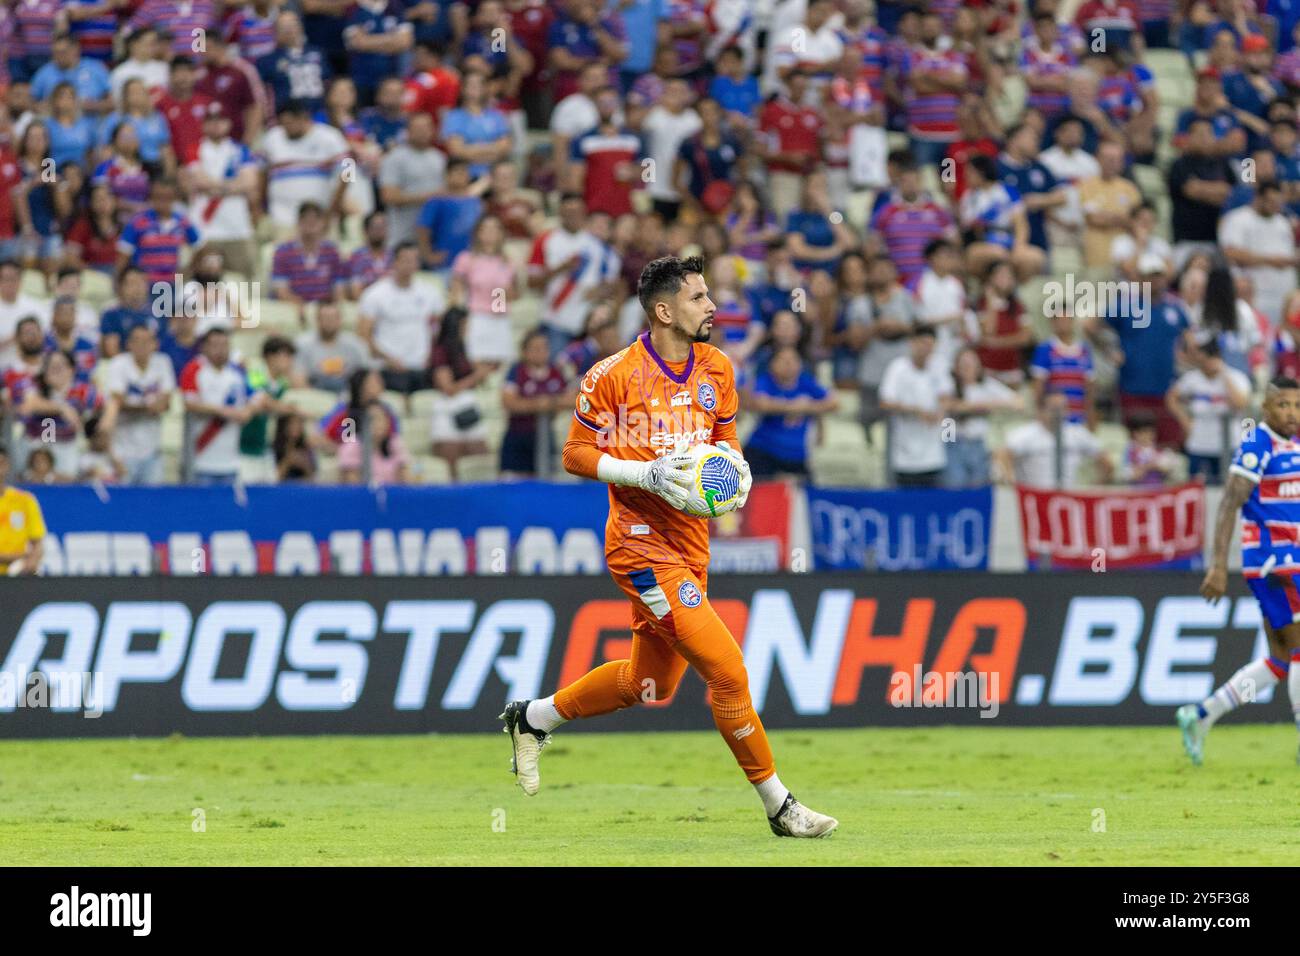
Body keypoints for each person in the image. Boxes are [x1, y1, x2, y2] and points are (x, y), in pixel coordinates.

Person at [501, 255, 838, 839]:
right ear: (664, 310)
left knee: (648, 685)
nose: (713, 307)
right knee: (729, 673)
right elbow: (575, 454)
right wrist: (643, 476)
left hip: (691, 544)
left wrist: (732, 476)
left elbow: (725, 443)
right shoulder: (610, 374)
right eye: (700, 297)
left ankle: (532, 718)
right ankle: (781, 807)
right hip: (639, 546)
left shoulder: (717, 368)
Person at [1183, 377, 1300, 765]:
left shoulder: (1294, 445)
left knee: (1281, 661)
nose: (1292, 414)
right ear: (1265, 409)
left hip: (1293, 561)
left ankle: (1201, 715)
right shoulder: (1256, 444)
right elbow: (1229, 503)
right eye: (1283, 405)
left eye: (1297, 406)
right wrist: (1218, 565)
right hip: (1273, 563)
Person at [358, 240, 445, 394]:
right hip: (389, 368)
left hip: (422, 365)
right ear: (394, 263)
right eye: (405, 260)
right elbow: (364, 334)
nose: (410, 265)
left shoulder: (430, 293)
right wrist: (388, 359)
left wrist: (432, 355)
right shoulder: (376, 294)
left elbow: (440, 330)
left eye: (414, 260)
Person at [180, 328, 263, 485]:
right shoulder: (194, 368)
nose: (220, 350)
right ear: (204, 347)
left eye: (225, 345)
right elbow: (189, 403)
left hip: (231, 461)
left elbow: (260, 395)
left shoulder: (239, 371)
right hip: (200, 458)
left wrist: (248, 411)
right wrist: (224, 411)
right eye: (215, 345)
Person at [745, 345, 839, 477]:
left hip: (796, 454)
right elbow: (761, 404)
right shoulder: (766, 381)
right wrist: (795, 405)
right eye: (783, 360)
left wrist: (808, 406)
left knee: (806, 491)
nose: (789, 365)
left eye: (793, 360)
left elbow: (833, 403)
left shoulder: (806, 383)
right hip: (763, 449)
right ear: (772, 364)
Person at [1167, 338, 1251, 483]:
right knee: (1196, 485)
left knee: (1228, 486)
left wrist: (1223, 374)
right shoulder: (1191, 379)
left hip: (1229, 444)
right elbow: (1171, 398)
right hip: (1199, 443)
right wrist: (1185, 421)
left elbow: (1240, 404)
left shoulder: (1237, 377)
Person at [100, 323, 176, 485]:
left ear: (155, 344)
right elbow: (117, 400)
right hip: (123, 451)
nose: (142, 346)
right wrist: (148, 406)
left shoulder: (163, 362)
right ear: (128, 344)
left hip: (152, 450)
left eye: (147, 341)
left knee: (153, 503)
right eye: (137, 341)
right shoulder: (118, 364)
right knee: (123, 503)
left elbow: (166, 401)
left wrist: (135, 403)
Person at [879, 326, 952, 488]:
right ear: (912, 343)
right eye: (922, 343)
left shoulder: (939, 366)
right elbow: (885, 402)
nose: (926, 349)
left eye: (930, 344)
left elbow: (947, 398)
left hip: (934, 453)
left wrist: (939, 415)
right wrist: (917, 411)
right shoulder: (898, 368)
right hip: (904, 453)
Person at [944, 347, 1022, 488]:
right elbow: (950, 407)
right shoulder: (949, 384)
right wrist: (979, 407)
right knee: (954, 485)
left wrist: (988, 406)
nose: (967, 367)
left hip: (979, 442)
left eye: (971, 363)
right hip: (952, 440)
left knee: (979, 486)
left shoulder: (986, 385)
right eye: (963, 363)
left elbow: (1017, 402)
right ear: (956, 366)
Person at [428, 306, 491, 481]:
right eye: (465, 324)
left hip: (468, 404)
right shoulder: (441, 350)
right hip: (448, 407)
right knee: (451, 457)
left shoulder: (465, 347)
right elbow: (448, 388)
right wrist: (477, 376)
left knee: (480, 454)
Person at [499, 327, 569, 478]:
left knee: (546, 481)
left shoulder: (555, 372)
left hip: (546, 437)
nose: (540, 352)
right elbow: (508, 402)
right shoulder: (517, 371)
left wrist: (550, 403)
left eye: (544, 347)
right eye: (535, 348)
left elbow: (571, 399)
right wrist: (538, 405)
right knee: (514, 484)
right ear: (524, 351)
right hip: (519, 437)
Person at [0, 444, 46, 575]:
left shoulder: (25, 500)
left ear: (7, 465)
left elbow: (38, 542)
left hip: (17, 573)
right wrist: (18, 556)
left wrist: (32, 561)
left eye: (1, 463)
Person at [338, 402, 410, 484]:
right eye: (372, 419)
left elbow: (405, 480)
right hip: (362, 494)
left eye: (381, 419)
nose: (377, 424)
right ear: (363, 423)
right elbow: (352, 485)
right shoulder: (352, 445)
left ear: (388, 422)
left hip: (392, 494)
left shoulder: (395, 442)